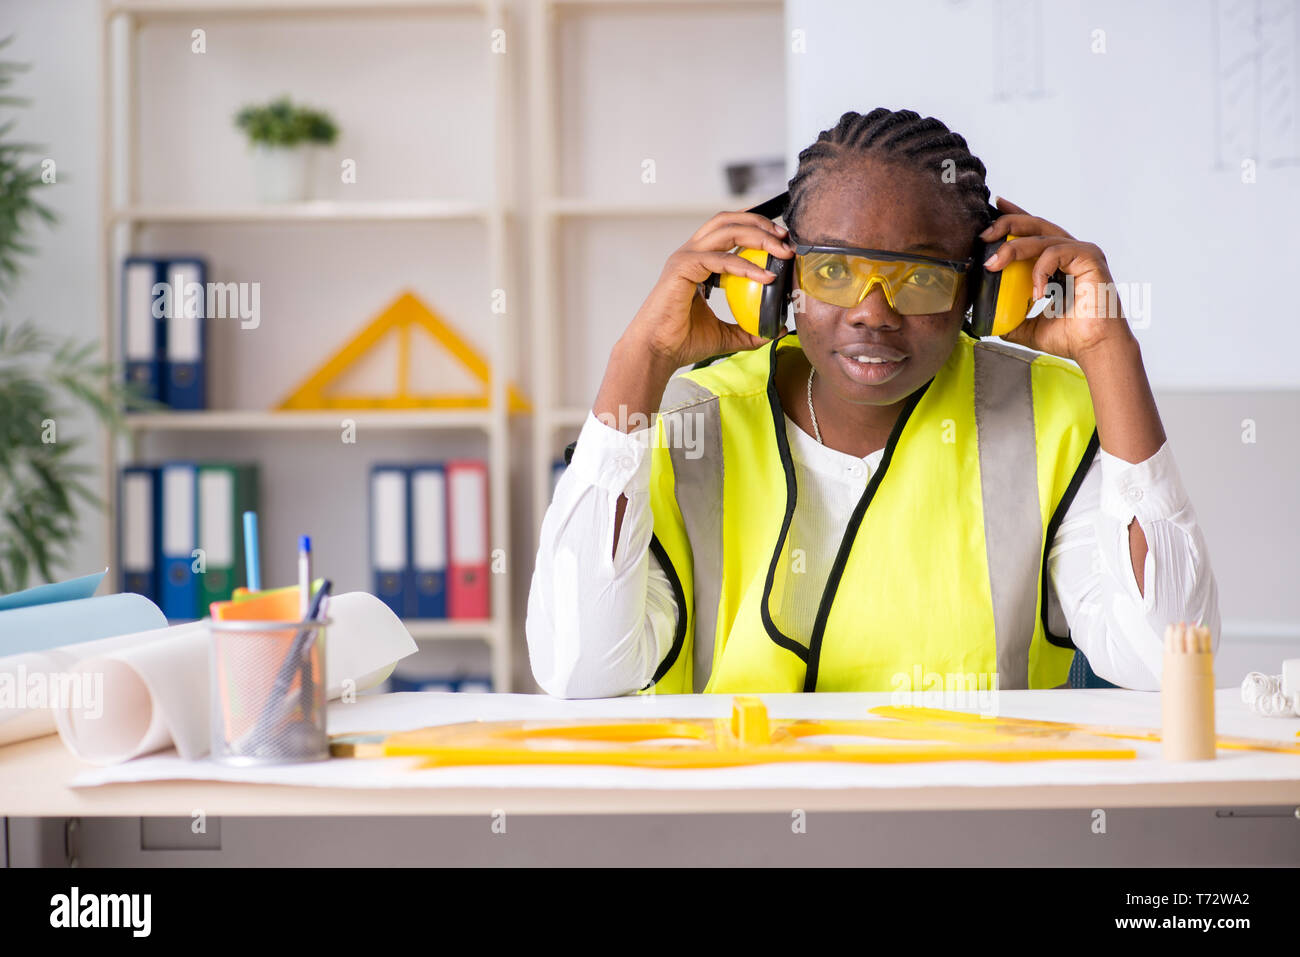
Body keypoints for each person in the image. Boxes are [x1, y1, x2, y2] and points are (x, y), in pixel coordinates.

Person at [526, 107, 1219, 697]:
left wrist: (1109, 352)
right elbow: (579, 669)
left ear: (981, 292)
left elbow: (1167, 661)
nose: (872, 313)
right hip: (734, 821)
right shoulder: (685, 423)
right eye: (833, 270)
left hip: (973, 822)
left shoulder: (1053, 415)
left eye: (920, 277)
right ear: (774, 278)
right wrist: (638, 360)